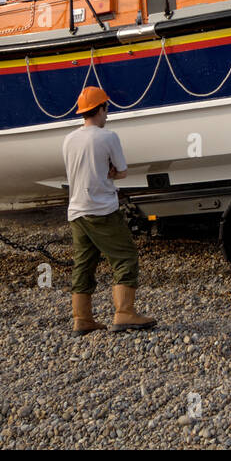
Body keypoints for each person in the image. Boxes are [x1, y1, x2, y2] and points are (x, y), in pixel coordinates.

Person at [63, 86, 156, 334]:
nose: (107, 115)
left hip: (77, 211)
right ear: (101, 109)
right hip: (102, 209)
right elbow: (122, 171)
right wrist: (113, 172)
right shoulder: (108, 137)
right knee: (125, 257)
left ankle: (82, 320)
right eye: (106, 109)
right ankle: (124, 313)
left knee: (84, 263)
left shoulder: (69, 139)